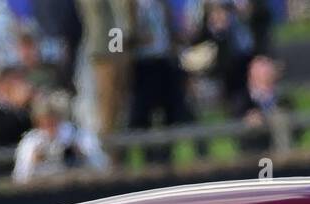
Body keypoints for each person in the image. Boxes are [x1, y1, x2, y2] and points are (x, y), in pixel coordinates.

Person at [128, 0, 193, 162]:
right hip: (143, 64)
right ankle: (147, 156)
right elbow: (118, 35)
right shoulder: (130, 6)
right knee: (143, 113)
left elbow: (170, 29)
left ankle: (167, 154)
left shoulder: (162, 4)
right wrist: (136, 38)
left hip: (164, 61)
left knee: (170, 109)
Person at [12, 88, 107, 181]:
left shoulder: (80, 136)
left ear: (60, 118)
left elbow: (102, 166)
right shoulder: (31, 142)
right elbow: (20, 177)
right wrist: (34, 161)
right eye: (43, 123)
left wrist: (82, 155)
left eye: (52, 122)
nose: (49, 127)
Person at [81, 0, 134, 162]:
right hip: (106, 53)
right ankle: (107, 159)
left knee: (118, 108)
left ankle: (114, 157)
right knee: (108, 110)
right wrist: (117, 51)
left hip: (112, 50)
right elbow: (113, 20)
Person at [231, 55, 291, 151]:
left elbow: (298, 127)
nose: (266, 73)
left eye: (268, 70)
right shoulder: (241, 99)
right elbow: (234, 124)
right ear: (251, 74)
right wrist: (248, 119)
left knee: (280, 117)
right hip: (255, 151)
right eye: (262, 70)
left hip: (281, 149)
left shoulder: (284, 99)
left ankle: (284, 160)